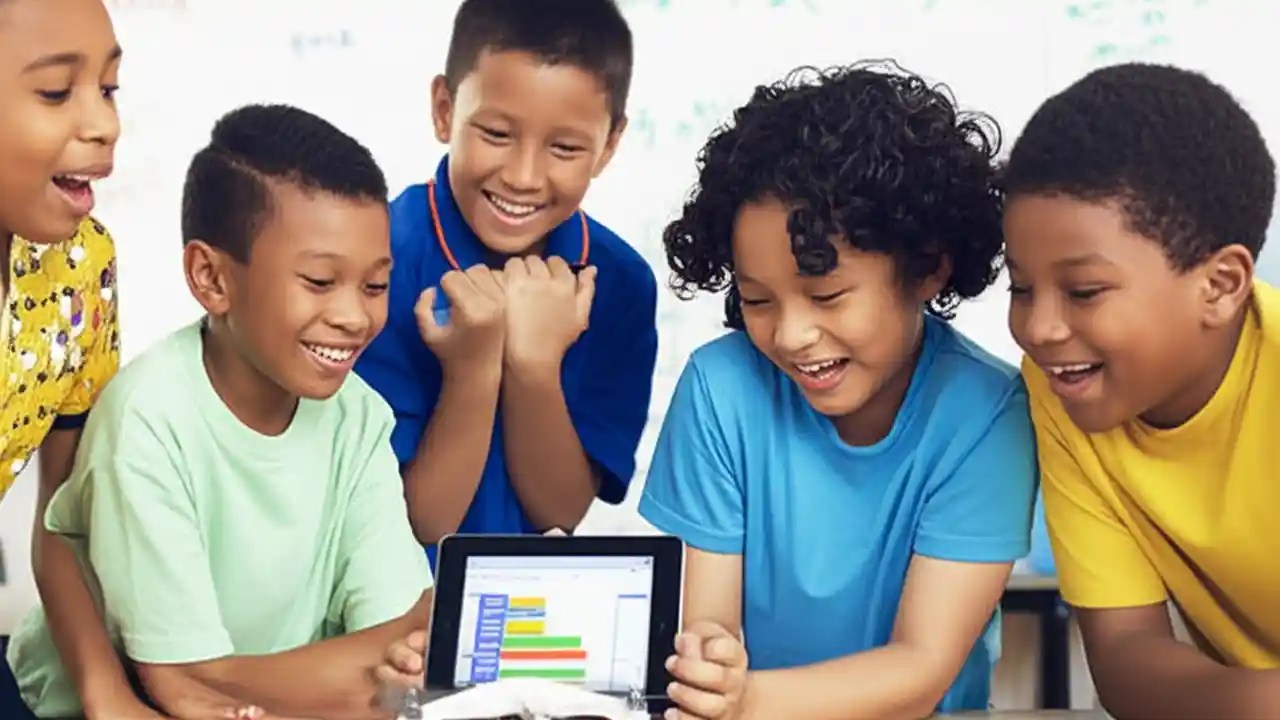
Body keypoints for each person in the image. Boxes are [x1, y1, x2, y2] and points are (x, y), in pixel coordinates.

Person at [6, 103, 433, 719]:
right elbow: (177, 683)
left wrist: (228, 681)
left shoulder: (359, 418)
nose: (354, 316)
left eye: (374, 285)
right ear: (211, 278)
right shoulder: (148, 422)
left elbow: (404, 652)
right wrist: (364, 669)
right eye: (318, 281)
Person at [640, 62, 1038, 718]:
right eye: (757, 299)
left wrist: (745, 699)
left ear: (927, 268)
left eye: (827, 295)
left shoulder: (985, 413)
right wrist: (712, 671)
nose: (793, 334)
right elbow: (706, 632)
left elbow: (921, 671)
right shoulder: (721, 390)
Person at [1002, 62, 1280, 719]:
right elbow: (1127, 657)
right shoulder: (1061, 392)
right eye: (1019, 287)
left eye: (1084, 291)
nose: (1039, 329)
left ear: (1219, 285)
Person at [353, 0, 658, 563]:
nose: (522, 177)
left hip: (525, 619)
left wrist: (534, 365)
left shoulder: (619, 283)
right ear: (444, 109)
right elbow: (420, 519)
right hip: (395, 617)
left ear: (609, 145)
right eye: (496, 133)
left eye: (564, 147)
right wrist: (473, 367)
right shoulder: (375, 261)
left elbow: (560, 513)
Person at [0, 1, 160, 717]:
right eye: (57, 91)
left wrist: (105, 692)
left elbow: (62, 520)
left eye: (109, 87)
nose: (105, 125)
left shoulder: (80, 268)